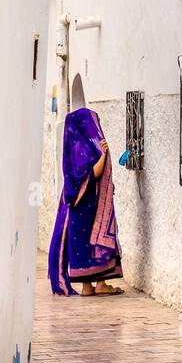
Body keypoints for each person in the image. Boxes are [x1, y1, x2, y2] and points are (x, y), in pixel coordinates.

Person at [48, 106, 124, 296]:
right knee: (93, 243)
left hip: (76, 211)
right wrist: (104, 154)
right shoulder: (86, 150)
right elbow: (92, 175)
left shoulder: (73, 151)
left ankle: (87, 286)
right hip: (89, 208)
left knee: (81, 245)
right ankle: (101, 284)